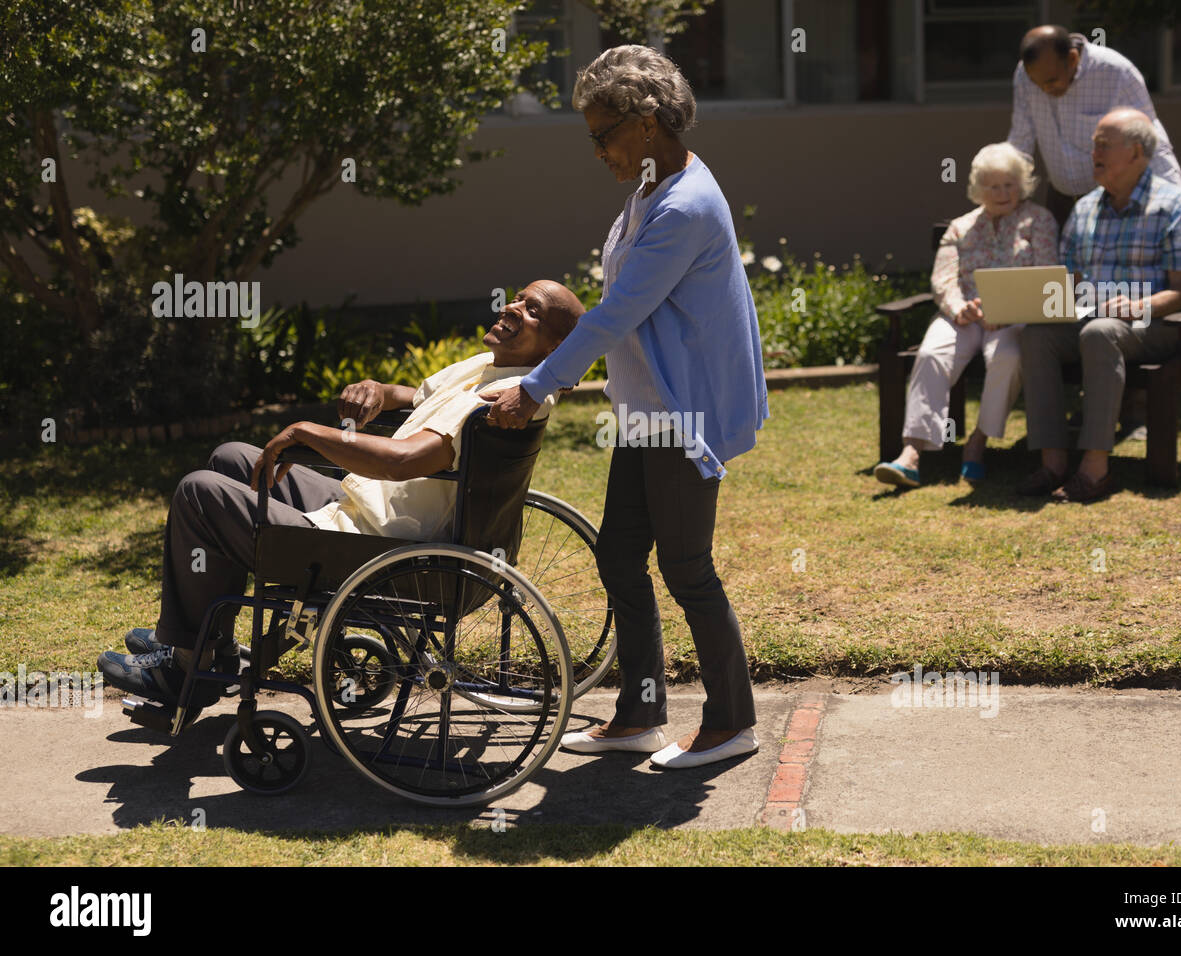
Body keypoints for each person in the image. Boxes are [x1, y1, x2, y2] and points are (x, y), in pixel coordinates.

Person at [98, 279, 585, 705]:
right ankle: (209, 646)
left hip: (393, 552)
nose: (513, 308)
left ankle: (187, 666)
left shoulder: (507, 398)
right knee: (233, 458)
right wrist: (375, 388)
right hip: (368, 514)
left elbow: (405, 459)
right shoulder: (488, 366)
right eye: (517, 299)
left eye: (532, 311)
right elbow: (414, 398)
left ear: (555, 348)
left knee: (200, 493)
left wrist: (309, 432)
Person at [484, 45, 769, 770]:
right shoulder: (649, 188)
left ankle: (733, 720)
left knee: (686, 567)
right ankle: (642, 712)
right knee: (619, 555)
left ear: (645, 123)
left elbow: (615, 313)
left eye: (601, 133)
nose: (597, 150)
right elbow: (616, 312)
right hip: (646, 406)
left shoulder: (684, 205)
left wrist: (537, 384)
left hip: (684, 413)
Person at [1016, 109, 1181, 503]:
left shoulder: (1173, 206)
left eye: (1104, 144)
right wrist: (1039, 298)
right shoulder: (1085, 208)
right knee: (1037, 335)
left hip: (1151, 324)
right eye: (1093, 145)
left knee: (1101, 332)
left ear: (1137, 152)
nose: (1094, 152)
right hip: (1089, 316)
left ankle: (1095, 469)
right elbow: (1068, 282)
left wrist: (1138, 306)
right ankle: (1052, 463)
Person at [874, 143, 1058, 489]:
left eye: (1009, 184)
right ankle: (911, 454)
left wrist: (1007, 309)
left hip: (1014, 318)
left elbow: (1046, 276)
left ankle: (977, 443)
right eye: (993, 186)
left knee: (1007, 357)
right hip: (965, 317)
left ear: (1022, 185)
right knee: (931, 354)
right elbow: (943, 278)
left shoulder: (1040, 222)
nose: (1002, 193)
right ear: (978, 189)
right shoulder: (960, 227)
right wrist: (960, 309)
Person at [1008, 25, 1181, 226]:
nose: (1045, 90)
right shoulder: (1025, 76)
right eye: (1038, 84)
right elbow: (1020, 139)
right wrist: (1003, 192)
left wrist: (1179, 201)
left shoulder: (1116, 72)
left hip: (1107, 199)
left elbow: (1151, 140)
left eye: (1052, 81)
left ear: (1072, 59)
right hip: (1059, 199)